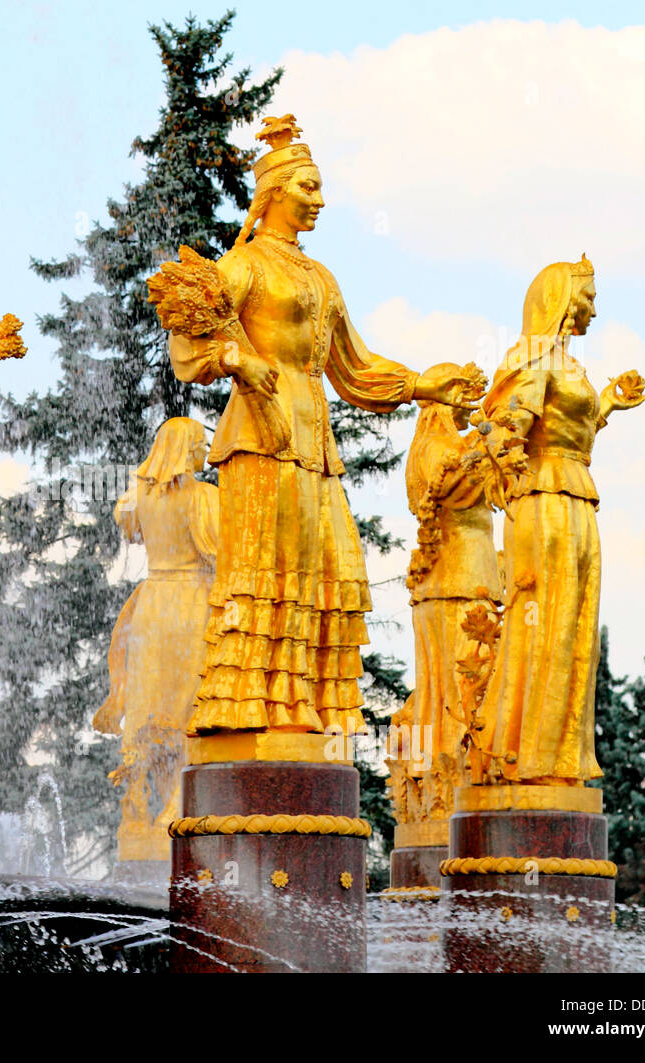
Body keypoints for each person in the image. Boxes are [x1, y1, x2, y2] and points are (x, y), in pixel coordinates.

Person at [162, 116, 479, 736]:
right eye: (308, 186)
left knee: (328, 566)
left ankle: (300, 703)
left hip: (316, 446)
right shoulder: (243, 265)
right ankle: (247, 708)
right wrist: (235, 358)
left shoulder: (320, 277)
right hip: (260, 436)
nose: (320, 200)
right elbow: (187, 337)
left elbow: (353, 368)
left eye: (320, 186)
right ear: (275, 190)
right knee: (264, 568)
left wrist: (422, 385)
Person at [477, 256, 645, 783]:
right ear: (560, 299)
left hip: (575, 495)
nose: (593, 307)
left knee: (575, 626)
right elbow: (511, 432)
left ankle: (562, 755)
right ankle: (530, 754)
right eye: (587, 296)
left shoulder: (571, 366)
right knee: (546, 619)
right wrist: (504, 455)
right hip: (544, 499)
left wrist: (609, 405)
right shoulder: (534, 356)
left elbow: (571, 431)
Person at [92, 418, 217, 861]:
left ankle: (133, 811)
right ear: (185, 449)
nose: (206, 452)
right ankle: (171, 807)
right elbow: (217, 551)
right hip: (189, 605)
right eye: (201, 445)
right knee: (186, 705)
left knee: (147, 707)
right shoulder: (204, 497)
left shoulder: (137, 497)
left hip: (149, 605)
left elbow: (129, 523)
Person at [393, 380, 502, 810]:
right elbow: (452, 485)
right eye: (458, 401)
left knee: (453, 684)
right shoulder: (436, 447)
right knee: (459, 684)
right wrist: (488, 442)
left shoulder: (440, 446)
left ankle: (447, 770)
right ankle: (451, 778)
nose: (467, 409)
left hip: (457, 578)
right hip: (457, 579)